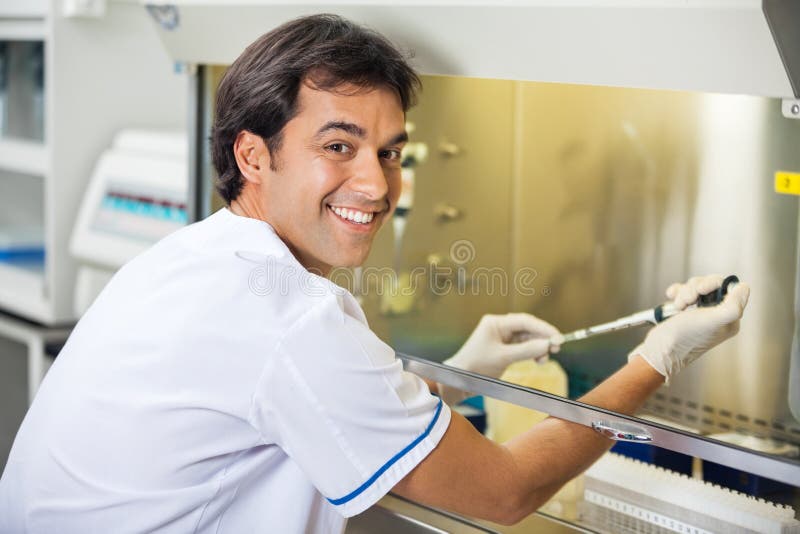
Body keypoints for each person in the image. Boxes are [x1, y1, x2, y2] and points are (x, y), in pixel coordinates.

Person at [0, 14, 749, 533]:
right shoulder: (289, 316)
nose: (377, 183)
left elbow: (304, 407)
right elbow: (505, 492)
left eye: (389, 152)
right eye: (338, 146)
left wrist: (456, 375)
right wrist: (658, 360)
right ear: (253, 156)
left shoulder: (195, 257)